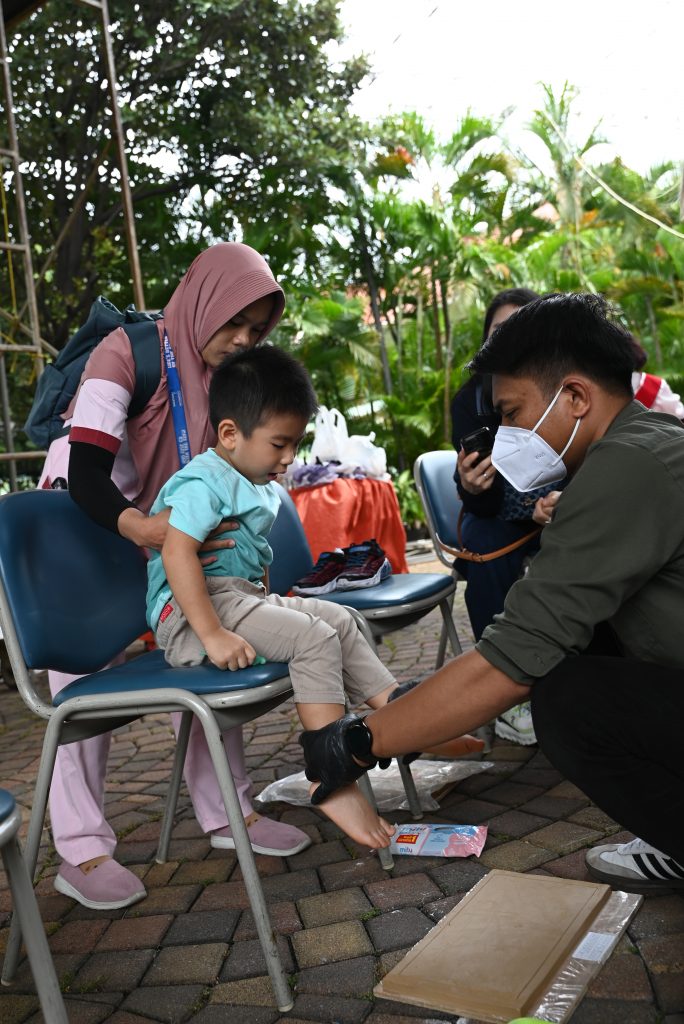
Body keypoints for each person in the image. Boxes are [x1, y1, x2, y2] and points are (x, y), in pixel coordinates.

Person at [299, 292, 684, 892]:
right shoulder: (651, 440)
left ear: (577, 397)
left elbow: (513, 660)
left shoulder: (624, 469)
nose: (505, 435)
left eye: (511, 412)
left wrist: (355, 743)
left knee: (568, 701)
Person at [38, 243, 312, 911]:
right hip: (85, 523)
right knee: (79, 690)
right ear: (202, 300)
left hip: (167, 534)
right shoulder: (124, 355)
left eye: (256, 329)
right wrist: (139, 528)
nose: (242, 341)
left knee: (214, 639)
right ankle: (82, 850)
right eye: (233, 323)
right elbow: (85, 474)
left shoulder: (229, 377)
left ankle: (228, 814)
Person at [148, 345, 480, 849]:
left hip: (238, 599)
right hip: (194, 616)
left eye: (295, 443)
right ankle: (332, 777)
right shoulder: (201, 482)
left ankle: (404, 721)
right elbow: (176, 554)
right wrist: (212, 633)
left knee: (343, 620)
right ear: (230, 433)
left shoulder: (249, 475)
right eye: (279, 443)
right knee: (314, 639)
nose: (289, 458)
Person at [452, 288, 553, 746]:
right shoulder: (471, 399)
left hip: (560, 508)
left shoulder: (561, 387)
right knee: (486, 551)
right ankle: (504, 692)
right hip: (497, 513)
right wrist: (470, 487)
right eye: (499, 332)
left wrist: (554, 502)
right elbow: (482, 489)